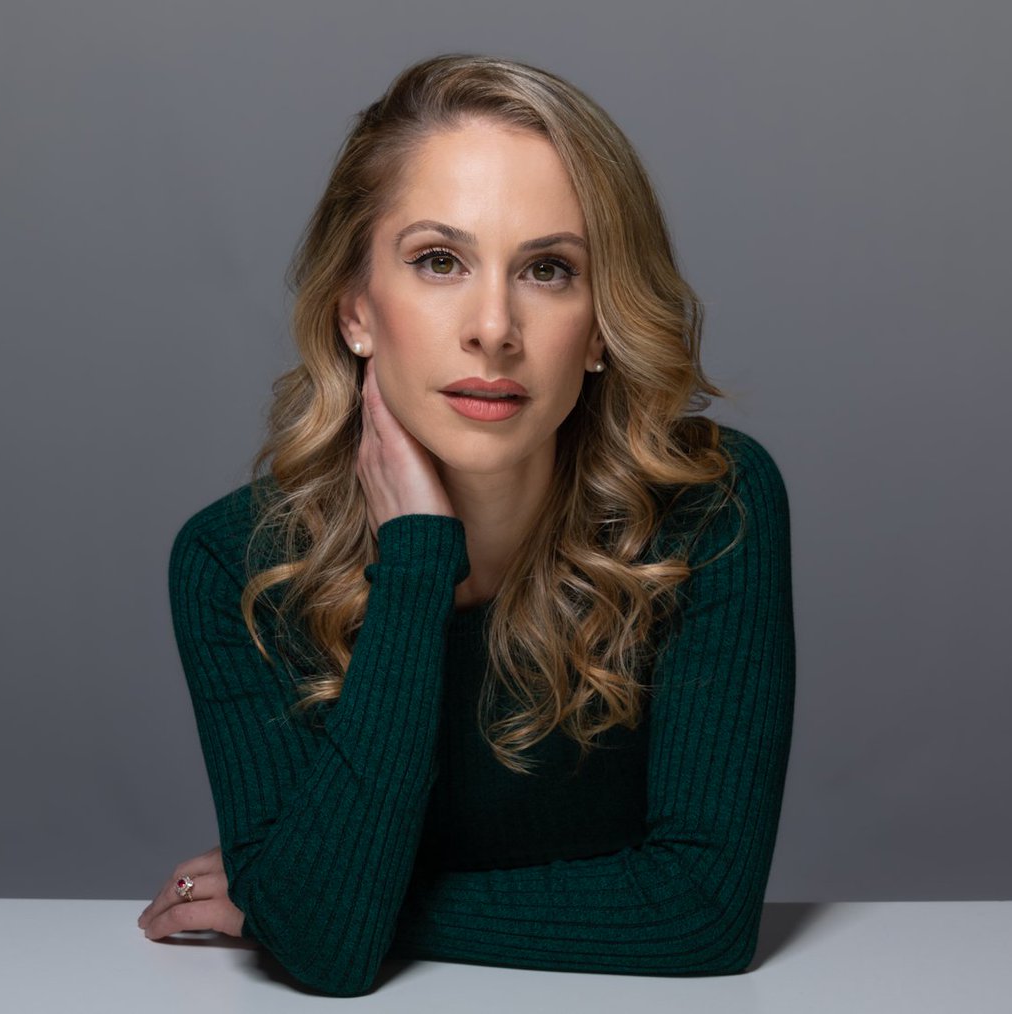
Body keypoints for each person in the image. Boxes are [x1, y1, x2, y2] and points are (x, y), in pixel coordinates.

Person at [136, 53, 795, 997]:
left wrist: (309, 899)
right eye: (439, 261)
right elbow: (327, 961)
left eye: (549, 270)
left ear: (600, 326)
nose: (494, 327)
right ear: (356, 311)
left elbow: (702, 911)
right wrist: (415, 563)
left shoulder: (710, 506)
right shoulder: (234, 564)